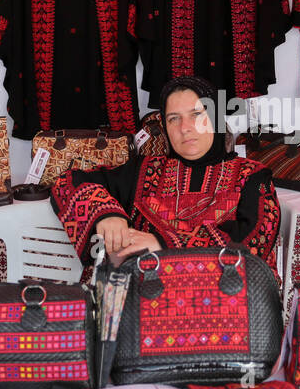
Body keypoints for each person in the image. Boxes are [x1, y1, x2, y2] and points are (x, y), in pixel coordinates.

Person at [50, 75, 281, 268]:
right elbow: (66, 183)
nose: (184, 128)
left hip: (228, 308)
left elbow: (254, 244)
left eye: (196, 114)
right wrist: (105, 213)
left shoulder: (252, 176)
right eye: (174, 119)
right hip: (145, 306)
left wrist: (161, 243)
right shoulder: (145, 171)